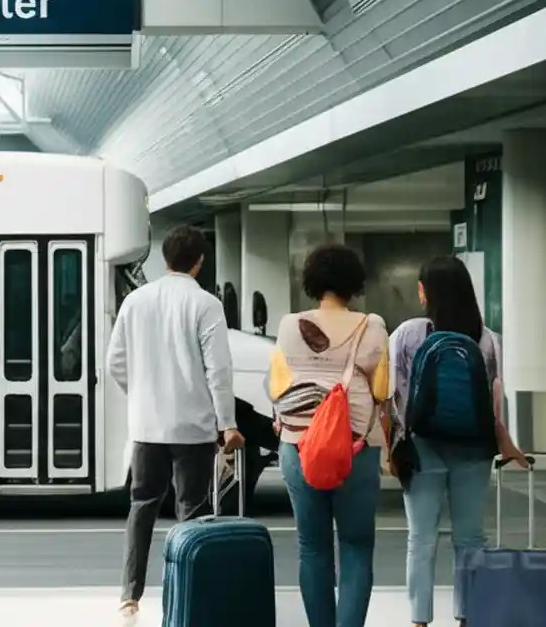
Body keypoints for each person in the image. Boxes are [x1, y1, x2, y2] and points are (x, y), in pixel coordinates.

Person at [107, 225, 244, 625]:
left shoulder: (135, 301)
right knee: (192, 512)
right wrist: (228, 424)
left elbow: (115, 362)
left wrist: (141, 393)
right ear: (199, 262)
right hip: (193, 428)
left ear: (164, 258)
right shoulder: (205, 304)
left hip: (147, 426)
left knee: (142, 506)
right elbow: (219, 371)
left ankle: (130, 597)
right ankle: (187, 591)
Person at [390, 256, 528, 627]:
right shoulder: (490, 340)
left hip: (422, 446)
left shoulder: (408, 335)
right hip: (474, 449)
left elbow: (394, 396)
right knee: (470, 538)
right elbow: (493, 405)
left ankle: (419, 621)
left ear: (425, 292)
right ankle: (468, 616)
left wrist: (393, 447)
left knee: (421, 538)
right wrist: (506, 444)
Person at [269, 243, 390, 627]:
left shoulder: (289, 326)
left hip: (298, 446)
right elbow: (383, 389)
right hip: (354, 448)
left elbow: (276, 385)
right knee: (356, 546)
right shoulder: (371, 326)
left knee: (312, 549)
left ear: (312, 281)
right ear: (354, 282)